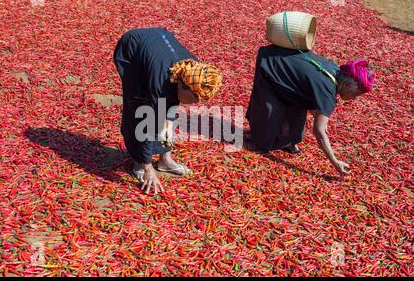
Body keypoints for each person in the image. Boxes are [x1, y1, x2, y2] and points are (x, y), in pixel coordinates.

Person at [113, 27, 222, 194]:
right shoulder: (160, 85)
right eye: (193, 99)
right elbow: (149, 124)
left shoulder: (192, 69)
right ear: (182, 86)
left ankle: (165, 159)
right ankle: (139, 162)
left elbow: (168, 113)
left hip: (158, 44)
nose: (193, 104)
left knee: (169, 112)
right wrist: (149, 167)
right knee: (139, 109)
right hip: (132, 50)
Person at [246, 45, 375, 174]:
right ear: (346, 84)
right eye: (355, 94)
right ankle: (263, 136)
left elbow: (314, 99)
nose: (353, 98)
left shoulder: (336, 71)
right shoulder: (328, 92)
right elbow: (318, 130)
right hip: (270, 63)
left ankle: (286, 142)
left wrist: (321, 118)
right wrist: (335, 162)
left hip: (279, 56)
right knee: (266, 125)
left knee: (301, 100)